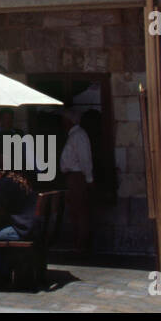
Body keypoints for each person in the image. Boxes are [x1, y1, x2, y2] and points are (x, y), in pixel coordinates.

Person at [60, 109, 93, 255]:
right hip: (72, 177)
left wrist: (89, 178)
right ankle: (78, 244)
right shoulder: (73, 135)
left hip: (77, 176)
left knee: (80, 212)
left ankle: (82, 245)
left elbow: (85, 158)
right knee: (75, 211)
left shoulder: (79, 135)